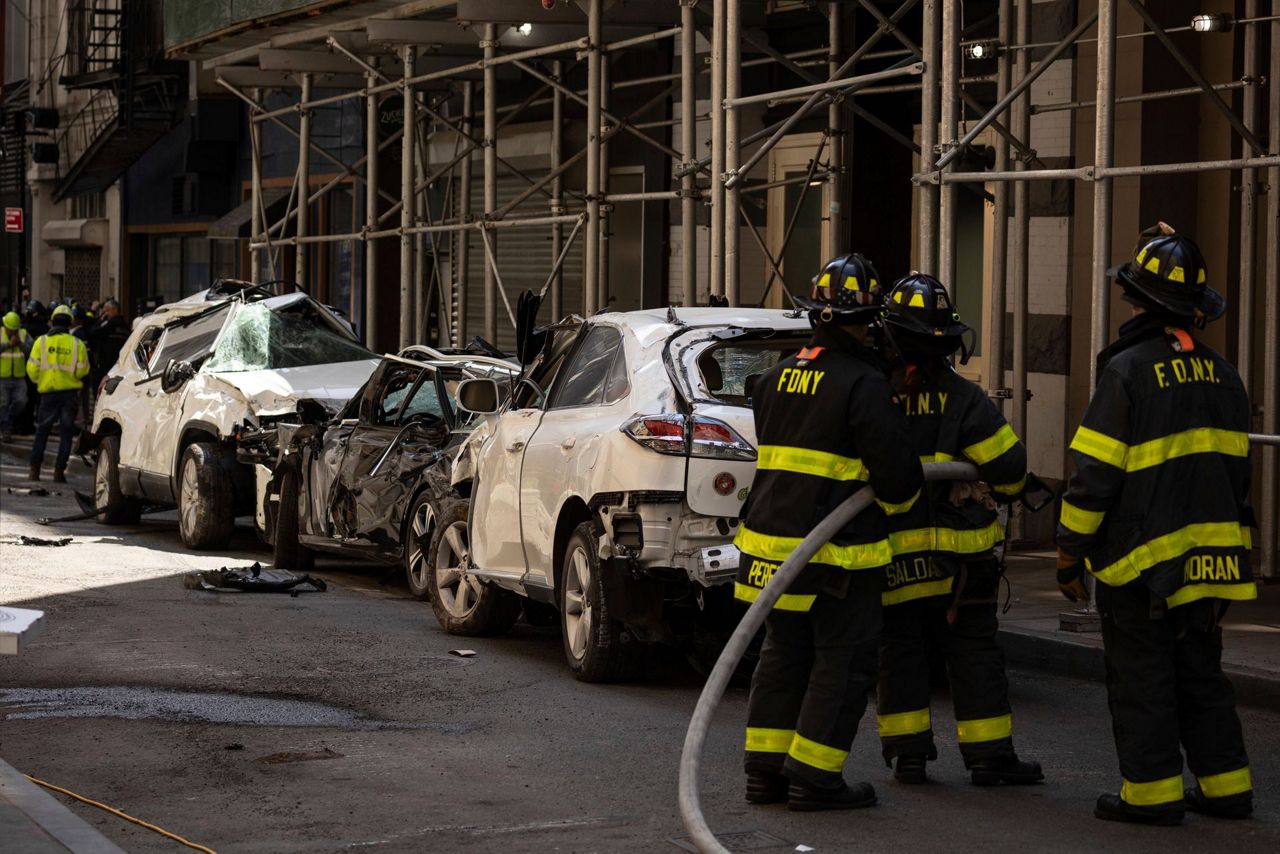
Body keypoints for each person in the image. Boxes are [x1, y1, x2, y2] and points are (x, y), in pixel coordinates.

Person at [1057, 223, 1255, 826]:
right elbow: (1237, 478)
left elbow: (1095, 476)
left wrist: (1070, 553)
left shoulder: (1126, 372)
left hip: (1142, 562)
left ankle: (1151, 797)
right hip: (1212, 560)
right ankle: (1227, 789)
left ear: (1136, 300)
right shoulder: (1225, 374)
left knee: (1142, 678)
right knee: (1201, 675)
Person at [735, 254, 923, 811]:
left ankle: (765, 772)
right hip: (837, 555)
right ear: (868, 320)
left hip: (769, 548)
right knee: (842, 663)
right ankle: (814, 779)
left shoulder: (773, 379)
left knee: (783, 656)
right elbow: (897, 480)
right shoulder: (864, 383)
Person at [873, 273, 1043, 787]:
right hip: (963, 562)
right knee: (973, 651)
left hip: (894, 555)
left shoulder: (873, 394)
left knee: (900, 649)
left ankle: (908, 756)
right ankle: (989, 758)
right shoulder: (965, 399)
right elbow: (1011, 472)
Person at [26, 304, 90, 482]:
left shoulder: (42, 342)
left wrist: (42, 381)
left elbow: (31, 369)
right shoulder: (77, 344)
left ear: (52, 321)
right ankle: (59, 472)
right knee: (66, 434)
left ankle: (34, 471)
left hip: (48, 394)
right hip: (69, 395)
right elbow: (82, 371)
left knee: (42, 432)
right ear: (70, 323)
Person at [1, 311, 33, 441]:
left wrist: (19, 343)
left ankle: (8, 419)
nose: (12, 332)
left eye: (14, 330)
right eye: (10, 330)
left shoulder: (23, 334)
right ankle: (6, 430)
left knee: (21, 402)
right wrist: (8, 345)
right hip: (2, 377)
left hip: (19, 377)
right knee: (3, 404)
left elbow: (31, 350)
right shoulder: (0, 333)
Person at [88, 298, 129, 384]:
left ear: (115, 309)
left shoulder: (109, 324)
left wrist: (100, 320)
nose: (105, 314)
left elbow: (92, 333)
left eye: (106, 311)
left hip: (106, 365)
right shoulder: (126, 326)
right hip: (120, 365)